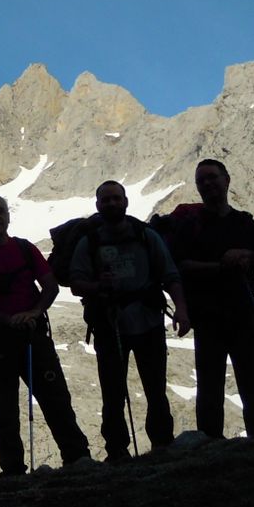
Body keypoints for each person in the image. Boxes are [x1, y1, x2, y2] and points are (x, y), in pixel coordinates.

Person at [0, 193, 93, 477]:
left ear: (7, 216)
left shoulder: (25, 249)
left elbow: (51, 287)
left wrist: (31, 314)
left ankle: (77, 460)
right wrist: (14, 319)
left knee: (56, 401)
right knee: (3, 411)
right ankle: (16, 471)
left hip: (28, 336)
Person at [68, 180, 190, 460]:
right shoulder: (91, 241)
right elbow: (76, 283)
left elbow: (169, 274)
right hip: (110, 325)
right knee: (113, 393)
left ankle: (160, 443)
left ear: (125, 201)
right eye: (105, 200)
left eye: (115, 198)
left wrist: (181, 309)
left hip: (147, 321)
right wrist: (98, 286)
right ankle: (118, 449)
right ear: (98, 206)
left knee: (155, 388)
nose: (111, 203)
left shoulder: (145, 235)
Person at [158, 159, 254, 440]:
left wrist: (245, 256)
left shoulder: (244, 222)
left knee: (251, 381)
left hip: (242, 310)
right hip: (209, 313)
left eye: (212, 178)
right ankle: (214, 442)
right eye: (202, 181)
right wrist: (224, 266)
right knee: (212, 385)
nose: (207, 184)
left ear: (227, 180)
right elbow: (180, 265)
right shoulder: (190, 225)